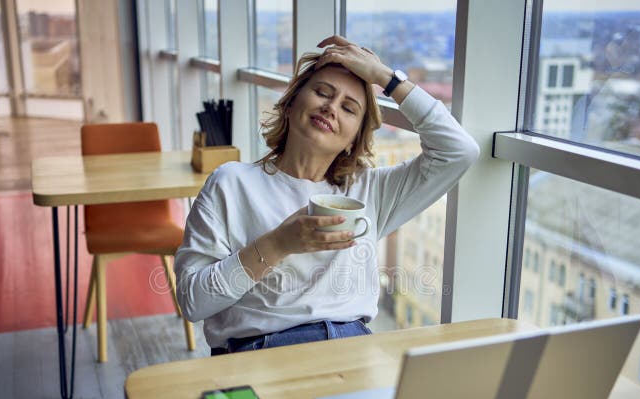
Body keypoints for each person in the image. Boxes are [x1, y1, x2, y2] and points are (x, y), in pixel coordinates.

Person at [175, 35, 479, 355]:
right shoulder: (231, 183)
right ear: (291, 103)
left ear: (354, 139)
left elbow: (459, 151)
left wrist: (386, 78)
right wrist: (278, 244)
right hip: (264, 351)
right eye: (322, 92)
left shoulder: (369, 191)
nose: (331, 108)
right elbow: (193, 302)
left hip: (353, 347)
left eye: (348, 108)